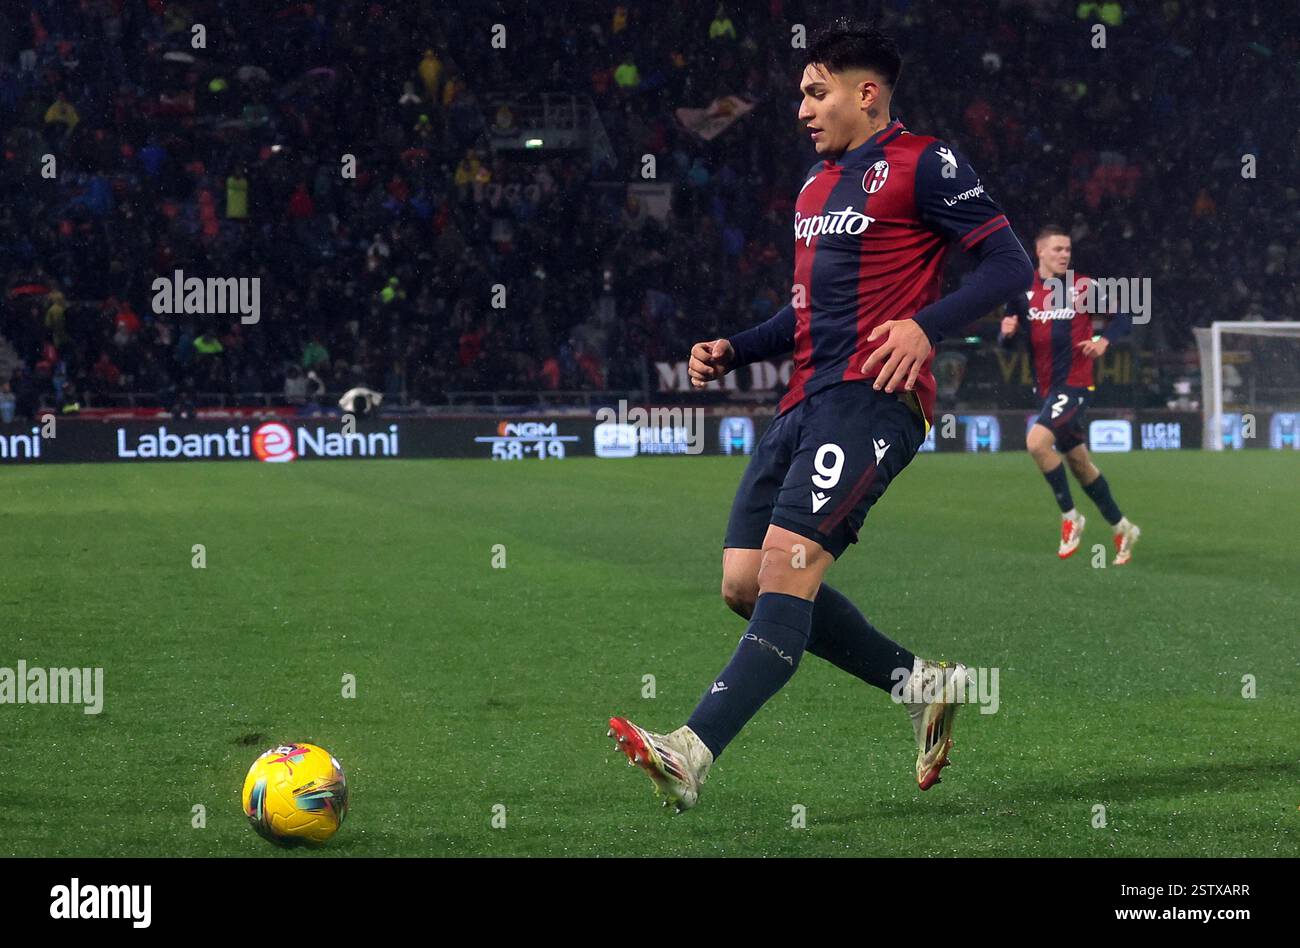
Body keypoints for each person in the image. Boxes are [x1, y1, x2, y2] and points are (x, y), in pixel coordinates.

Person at [607, 21, 1033, 812]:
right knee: (742, 583)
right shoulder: (812, 189)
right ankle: (923, 683)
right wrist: (736, 346)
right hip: (803, 401)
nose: (802, 109)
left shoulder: (926, 162)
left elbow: (1011, 265)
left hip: (874, 398)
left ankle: (692, 750)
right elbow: (803, 314)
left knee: (787, 570)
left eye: (816, 91)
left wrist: (923, 326)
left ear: (865, 92)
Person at [1000, 225, 1140, 563]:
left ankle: (1070, 516)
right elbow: (1008, 344)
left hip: (1076, 384)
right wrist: (1006, 334)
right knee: (1079, 462)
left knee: (1036, 443)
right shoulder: (1021, 291)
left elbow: (1125, 314)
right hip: (1046, 390)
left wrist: (1104, 340)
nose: (1064, 255)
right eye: (1058, 249)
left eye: (1067, 250)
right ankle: (1122, 526)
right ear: (1040, 252)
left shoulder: (1083, 287)